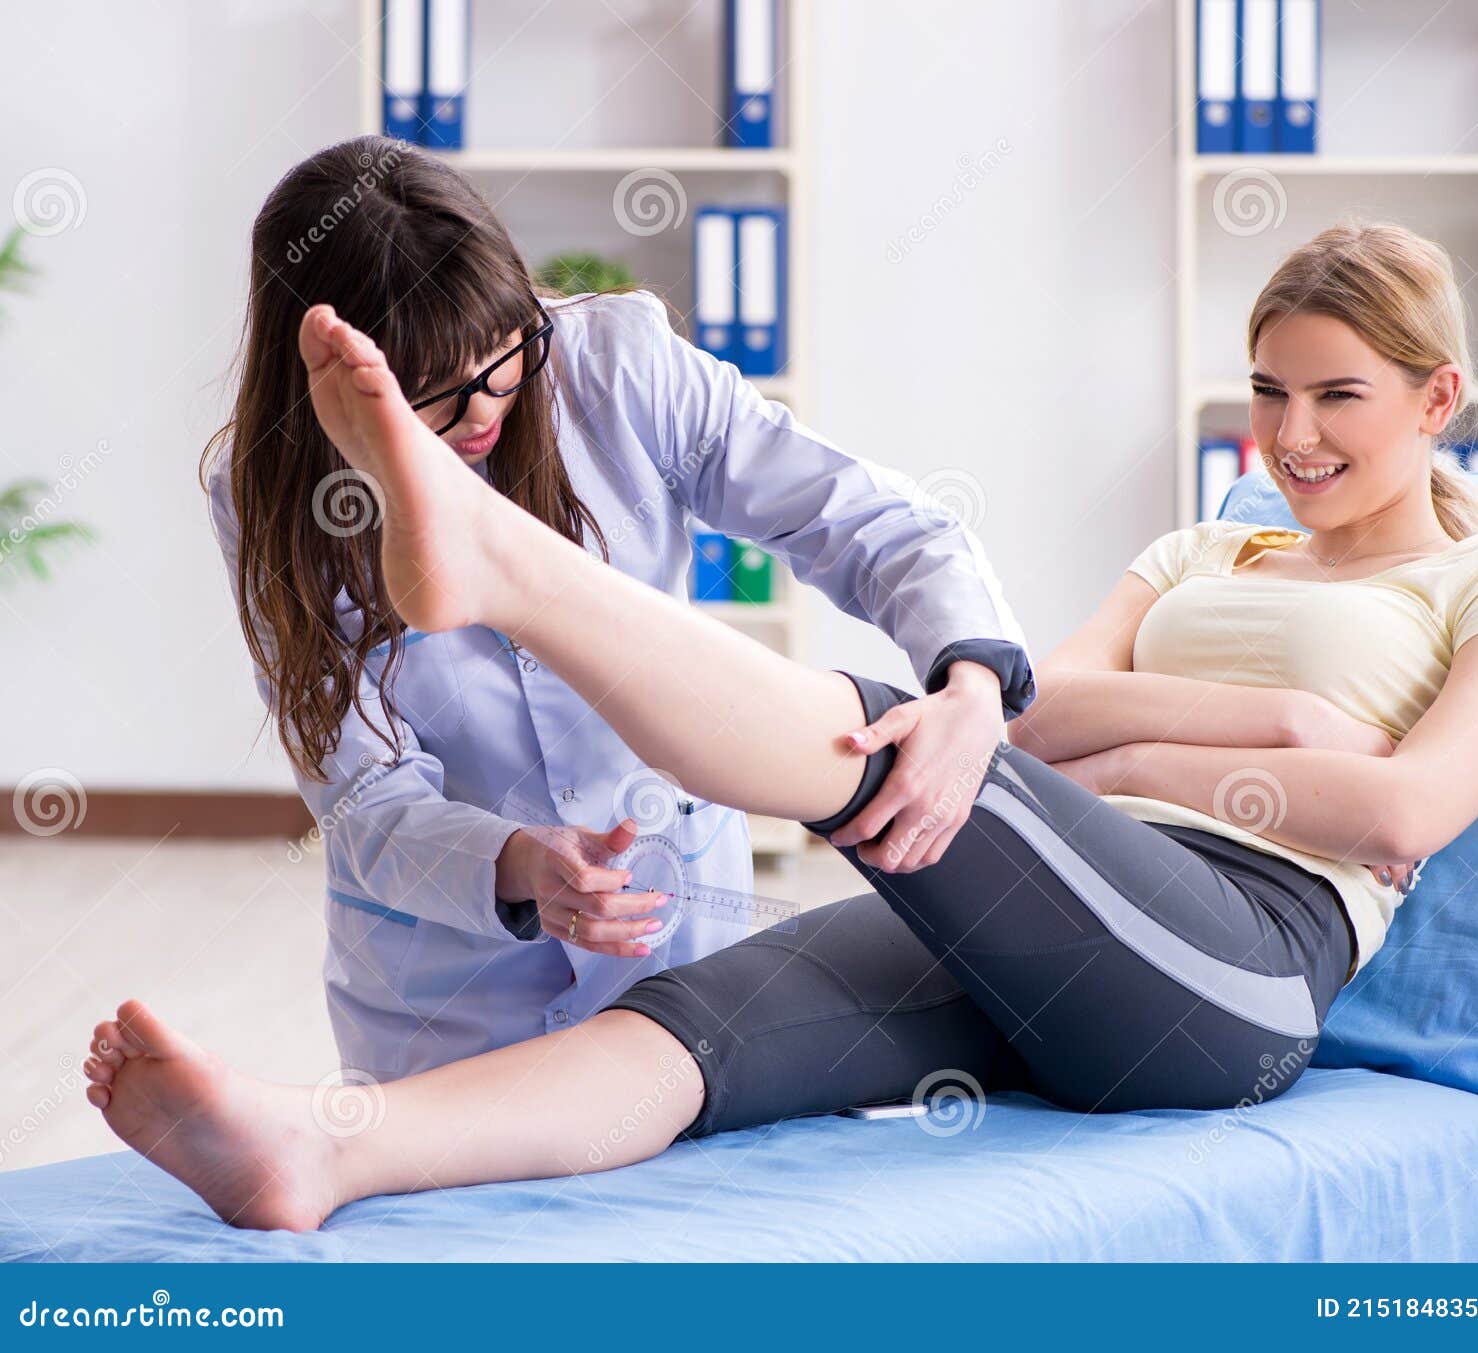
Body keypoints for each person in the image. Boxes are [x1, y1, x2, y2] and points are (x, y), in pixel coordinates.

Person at [90, 222, 1478, 1233]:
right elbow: (1032, 722)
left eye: (1340, 397)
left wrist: (1132, 763)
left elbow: (1401, 816)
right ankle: (312, 1148)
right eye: (1270, 391)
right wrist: (1278, 720)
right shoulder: (1200, 552)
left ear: (1440, 396)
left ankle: (510, 573)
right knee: (703, 1019)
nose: (1295, 435)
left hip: (1241, 967)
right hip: (1063, 909)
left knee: (885, 732)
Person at [202, 136, 1033, 1080]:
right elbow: (363, 791)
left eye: (504, 356)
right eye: (434, 394)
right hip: (454, 986)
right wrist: (512, 863)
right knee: (457, 1182)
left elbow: (868, 520)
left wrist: (972, 682)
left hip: (676, 928)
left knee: (686, 1151)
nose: (484, 409)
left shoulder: (614, 360)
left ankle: (484, 548)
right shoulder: (268, 491)